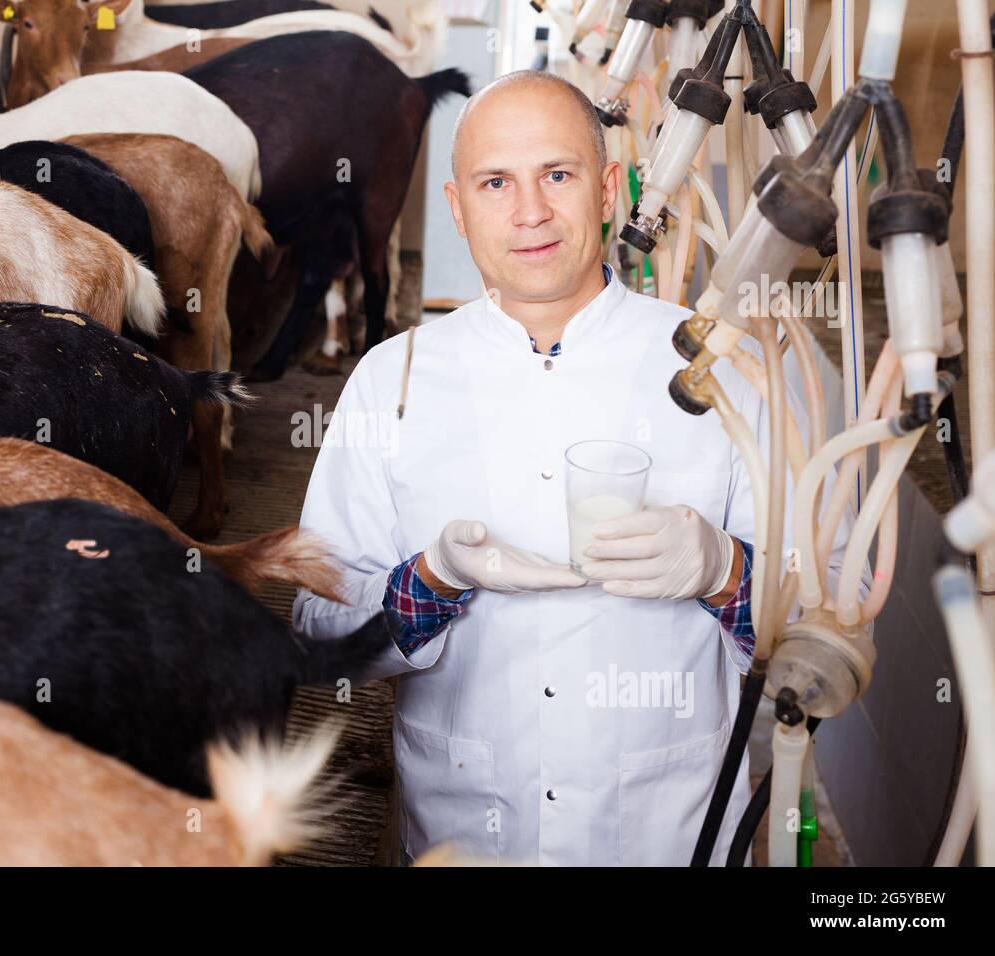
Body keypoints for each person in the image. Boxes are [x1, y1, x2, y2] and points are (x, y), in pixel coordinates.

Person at [292, 70, 866, 865]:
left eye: (556, 175)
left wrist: (725, 571)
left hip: (670, 829)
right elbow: (319, 626)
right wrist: (432, 580)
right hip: (461, 831)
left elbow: (836, 613)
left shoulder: (722, 367)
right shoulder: (390, 379)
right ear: (458, 209)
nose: (529, 212)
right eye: (496, 183)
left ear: (606, 191)